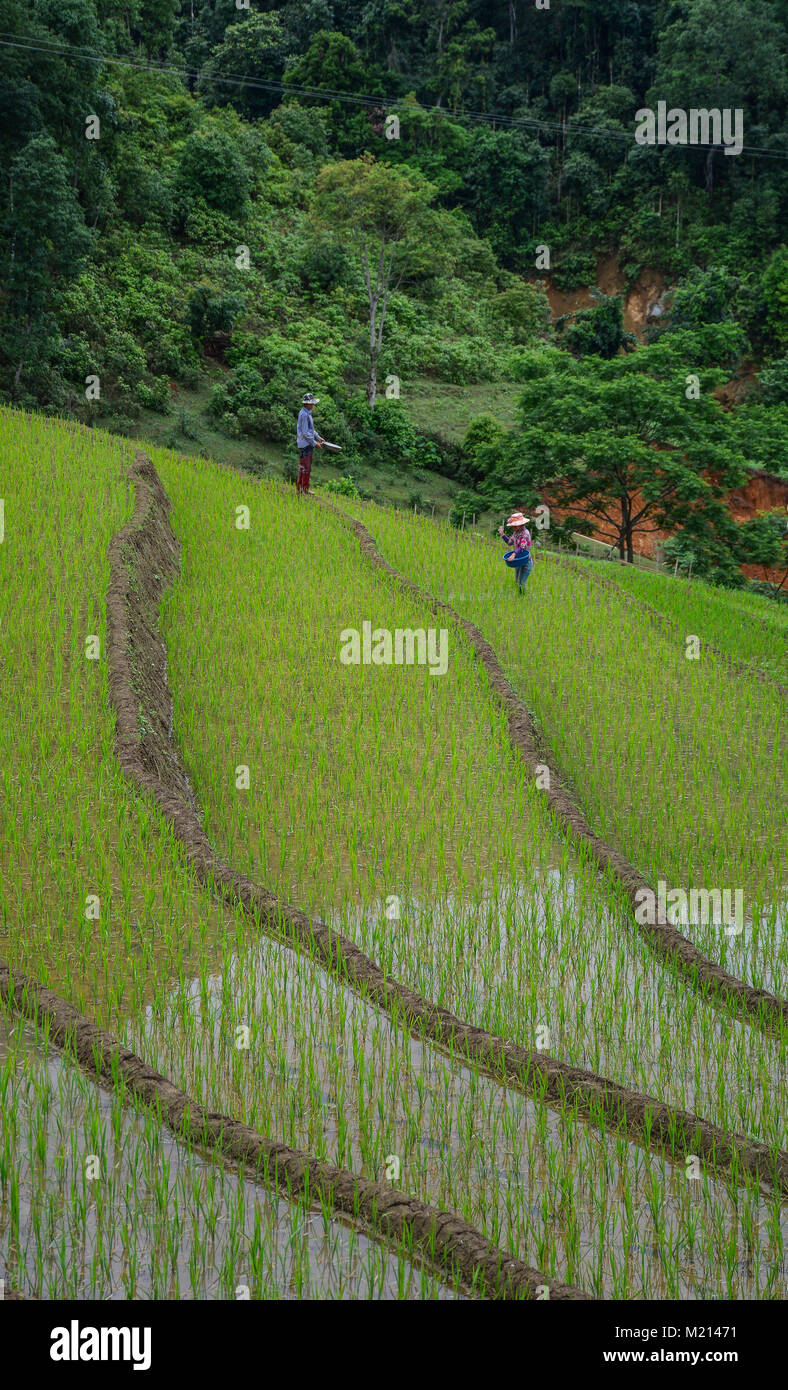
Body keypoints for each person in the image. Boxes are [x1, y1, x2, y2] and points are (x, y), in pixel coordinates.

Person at [296, 392, 324, 495]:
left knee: (303, 467)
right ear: (306, 404)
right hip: (305, 444)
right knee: (306, 468)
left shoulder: (307, 413)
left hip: (307, 443)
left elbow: (311, 430)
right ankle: (304, 489)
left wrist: (318, 437)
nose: (313, 405)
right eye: (311, 403)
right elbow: (305, 432)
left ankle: (300, 488)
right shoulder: (304, 414)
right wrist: (314, 443)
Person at [498, 511, 534, 592]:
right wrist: (502, 534)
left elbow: (522, 547)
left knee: (522, 583)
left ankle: (524, 599)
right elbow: (509, 542)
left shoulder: (525, 533)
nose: (513, 527)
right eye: (513, 526)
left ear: (521, 524)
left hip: (526, 561)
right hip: (518, 560)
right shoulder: (515, 533)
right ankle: (520, 598)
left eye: (515, 525)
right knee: (517, 582)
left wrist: (514, 554)